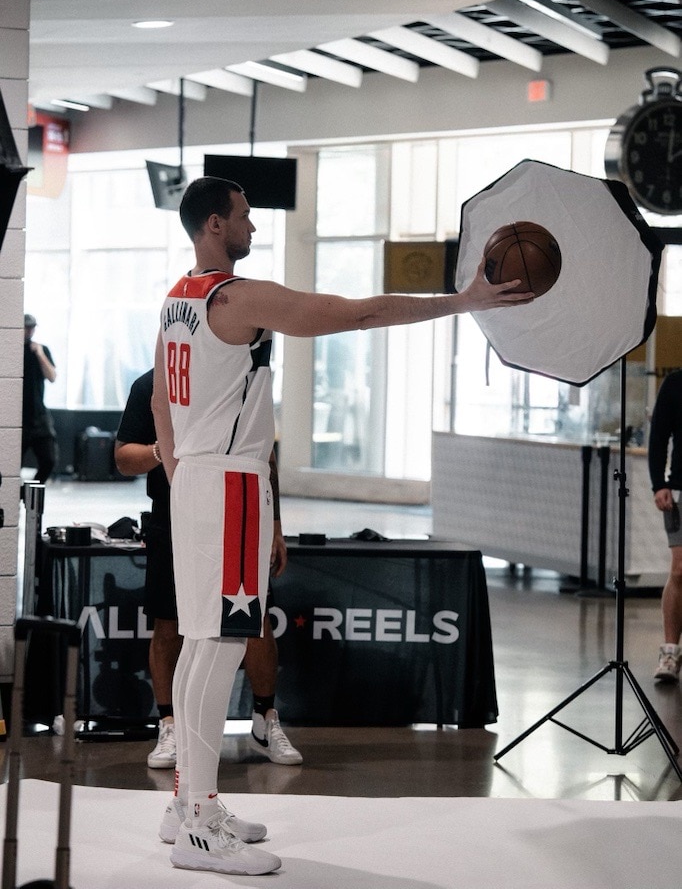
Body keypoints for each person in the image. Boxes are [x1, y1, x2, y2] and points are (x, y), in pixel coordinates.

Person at [151, 175, 533, 877]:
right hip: (227, 482)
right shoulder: (235, 297)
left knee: (205, 644)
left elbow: (158, 403)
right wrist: (466, 301)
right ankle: (199, 824)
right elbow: (356, 315)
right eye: (242, 217)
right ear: (212, 225)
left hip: (199, 481)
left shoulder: (178, 301)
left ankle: (186, 806)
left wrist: (183, 480)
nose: (253, 229)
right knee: (224, 645)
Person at [114, 369, 302, 770]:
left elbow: (265, 455)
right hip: (174, 517)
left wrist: (276, 525)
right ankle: (169, 727)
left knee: (253, 621)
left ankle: (265, 720)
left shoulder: (239, 379)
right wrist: (165, 447)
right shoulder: (153, 384)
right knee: (168, 623)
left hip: (239, 514)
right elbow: (124, 458)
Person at [648, 368, 682, 682]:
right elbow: (658, 436)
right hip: (680, 490)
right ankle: (670, 651)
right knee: (679, 570)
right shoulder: (675, 384)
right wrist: (659, 482)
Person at [22, 313, 58, 484]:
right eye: (26, 327)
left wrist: (40, 354)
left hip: (39, 416)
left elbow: (52, 377)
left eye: (32, 327)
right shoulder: (12, 352)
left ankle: (28, 492)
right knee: (12, 464)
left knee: (49, 460)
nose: (29, 331)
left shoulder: (41, 349)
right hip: (18, 417)